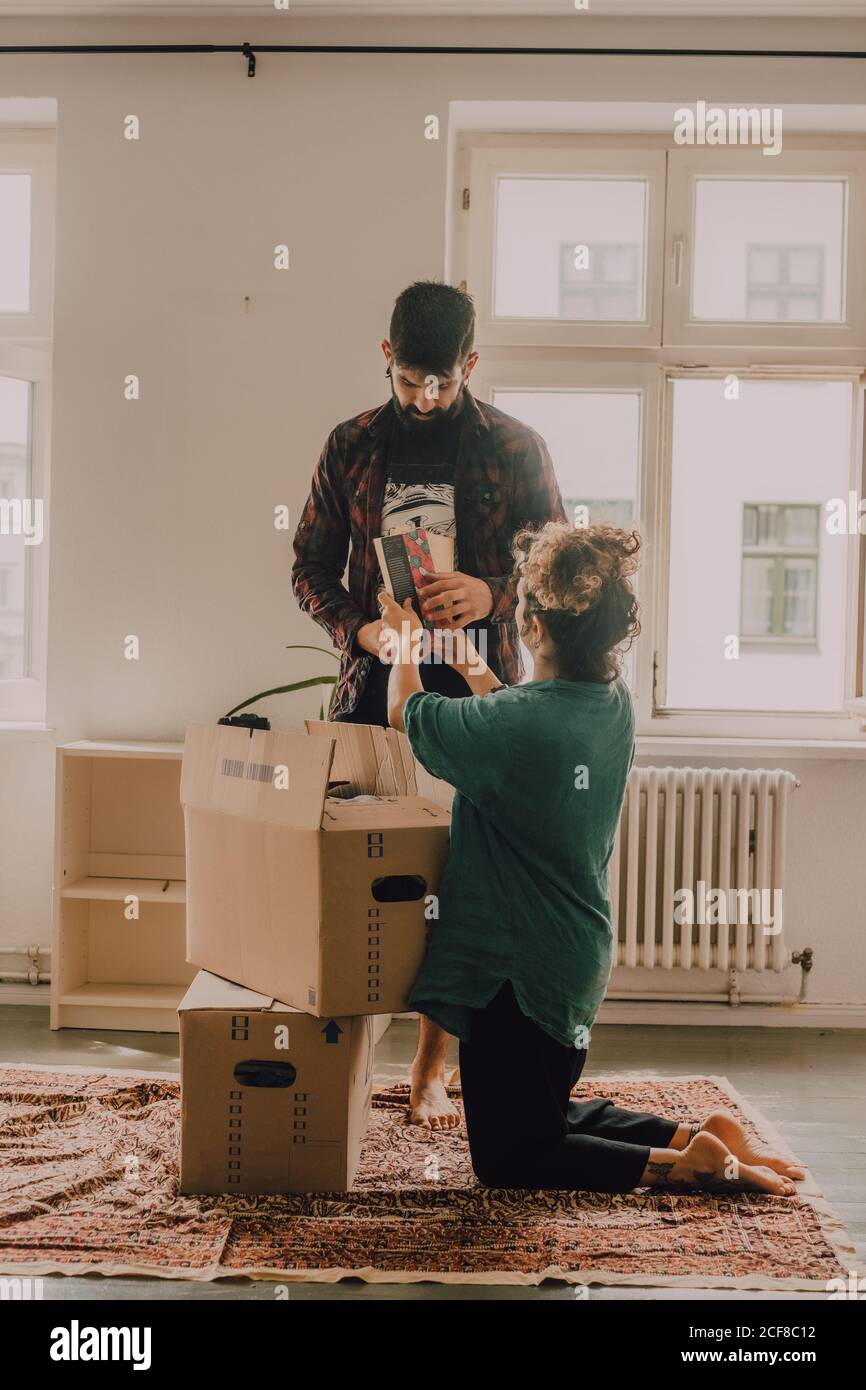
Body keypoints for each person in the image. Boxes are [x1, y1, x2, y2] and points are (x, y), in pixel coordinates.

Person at [379, 521, 806, 1197]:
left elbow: (406, 710)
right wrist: (464, 658)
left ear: (536, 632)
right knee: (543, 1113)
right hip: (572, 962)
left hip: (514, 977)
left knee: (511, 1158)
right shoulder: (610, 703)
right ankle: (692, 1133)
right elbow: (516, 715)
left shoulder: (517, 725)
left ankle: (685, 1163)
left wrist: (402, 640)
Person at [292, 280, 567, 1129]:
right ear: (386, 358)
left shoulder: (517, 448)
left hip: (482, 693)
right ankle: (340, 1064)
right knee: (354, 878)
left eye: (442, 380)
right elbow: (306, 567)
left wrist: (489, 594)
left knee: (464, 884)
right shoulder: (350, 446)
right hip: (374, 687)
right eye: (411, 379)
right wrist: (361, 632)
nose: (426, 395)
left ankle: (429, 1071)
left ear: (471, 365)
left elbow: (560, 564)